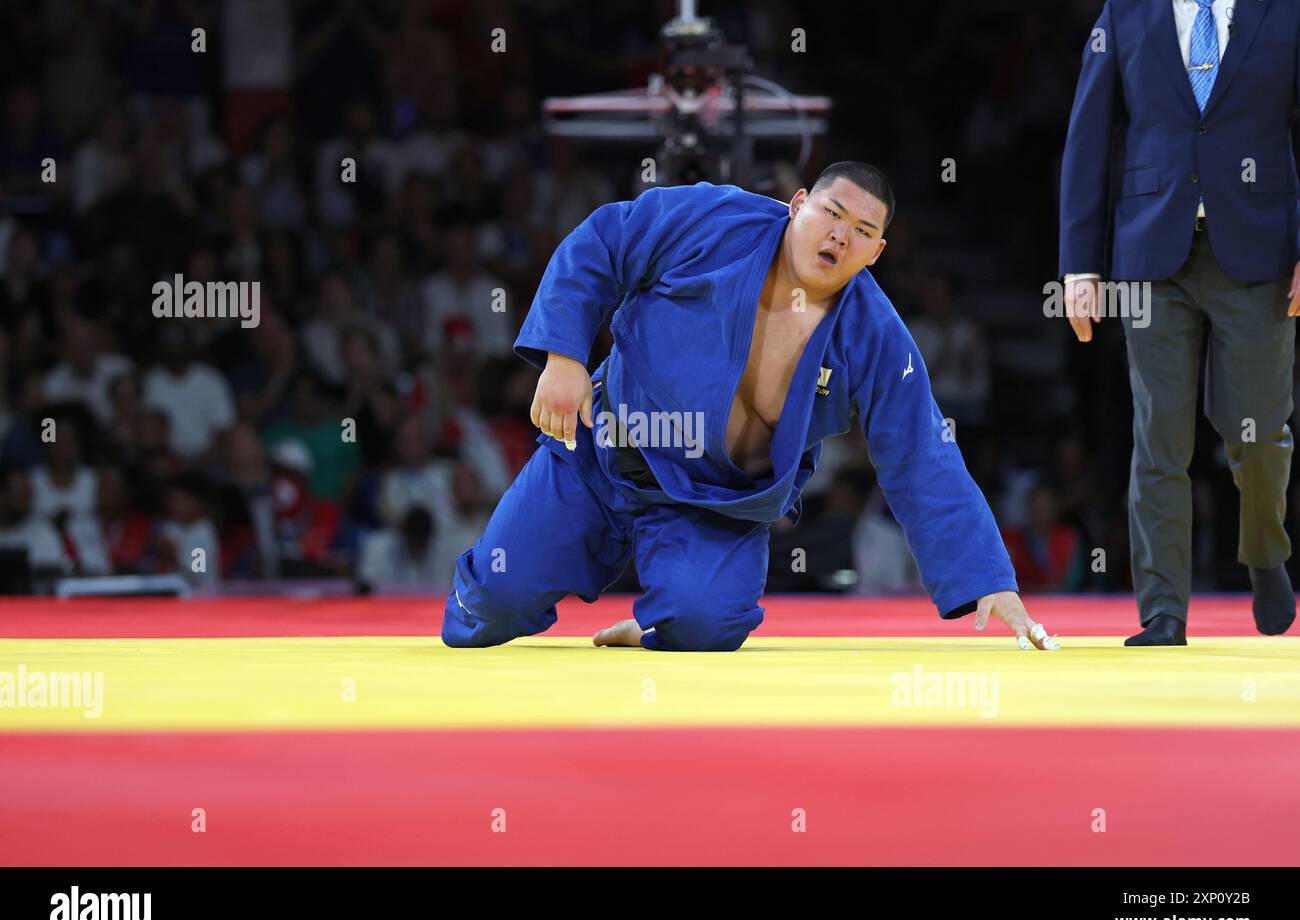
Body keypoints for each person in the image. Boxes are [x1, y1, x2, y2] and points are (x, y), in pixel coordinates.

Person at [442, 163, 1048, 651]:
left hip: (714, 506)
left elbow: (920, 450)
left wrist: (986, 576)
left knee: (703, 626)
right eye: (832, 213)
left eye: (863, 231)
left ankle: (658, 626)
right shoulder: (715, 222)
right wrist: (563, 357)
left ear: (877, 252)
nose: (840, 235)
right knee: (489, 606)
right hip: (599, 455)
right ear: (799, 203)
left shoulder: (875, 334)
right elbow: (603, 240)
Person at [1059, 0, 1300, 644]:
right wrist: (1080, 265)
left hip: (1260, 250)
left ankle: (1265, 551)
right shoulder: (1125, 12)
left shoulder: (1286, 13)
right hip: (1149, 254)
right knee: (1158, 434)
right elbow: (1088, 133)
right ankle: (1163, 608)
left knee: (1257, 433)